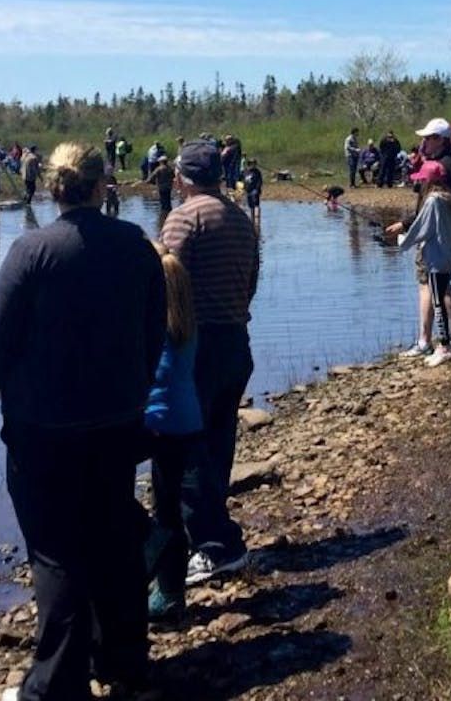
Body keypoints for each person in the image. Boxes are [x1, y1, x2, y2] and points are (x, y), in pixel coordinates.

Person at [0, 142, 165, 701]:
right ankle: (124, 662)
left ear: (53, 187)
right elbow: (154, 331)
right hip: (116, 424)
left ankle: (56, 684)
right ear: (104, 186)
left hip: (41, 433)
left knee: (56, 552)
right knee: (115, 539)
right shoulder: (134, 246)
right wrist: (135, 389)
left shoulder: (32, 251)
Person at [160, 139, 259, 585]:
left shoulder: (184, 217)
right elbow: (253, 279)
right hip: (237, 340)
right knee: (218, 446)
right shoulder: (239, 218)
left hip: (199, 347)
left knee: (188, 449)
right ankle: (219, 541)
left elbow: (165, 281)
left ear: (182, 177)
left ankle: (213, 545)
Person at [143, 242, 204, 622]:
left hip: (161, 424)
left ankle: (167, 591)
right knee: (168, 507)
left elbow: (158, 378)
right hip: (186, 420)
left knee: (164, 512)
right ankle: (168, 586)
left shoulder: (158, 326)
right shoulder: (185, 319)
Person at [401, 118, 451, 355]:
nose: (423, 142)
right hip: (449, 235)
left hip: (438, 237)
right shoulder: (448, 163)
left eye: (428, 138)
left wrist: (405, 227)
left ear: (440, 140)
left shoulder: (445, 167)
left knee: (427, 284)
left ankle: (424, 341)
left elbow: (432, 210)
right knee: (441, 284)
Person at [384, 160, 451, 368]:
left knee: (438, 303)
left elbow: (422, 228)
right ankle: (444, 344)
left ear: (429, 181)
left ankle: (444, 348)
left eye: (422, 180)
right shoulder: (450, 199)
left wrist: (402, 241)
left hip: (436, 259)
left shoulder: (433, 201)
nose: (419, 185)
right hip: (448, 256)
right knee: (440, 299)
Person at [242, 157, 263, 224]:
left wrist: (257, 189)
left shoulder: (257, 172)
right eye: (251, 164)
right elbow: (243, 181)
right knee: (250, 205)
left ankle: (257, 220)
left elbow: (259, 181)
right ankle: (251, 218)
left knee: (256, 204)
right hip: (248, 191)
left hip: (255, 191)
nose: (253, 165)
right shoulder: (245, 172)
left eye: (254, 164)